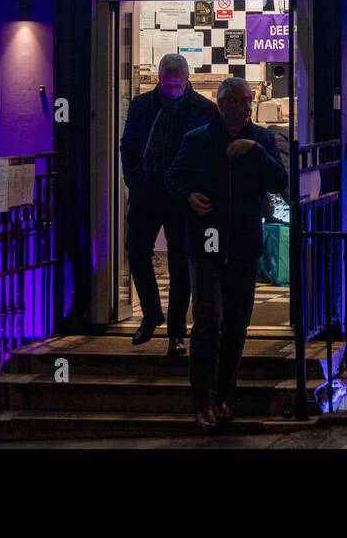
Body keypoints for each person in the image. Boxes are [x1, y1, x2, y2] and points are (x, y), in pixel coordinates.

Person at [166, 75, 288, 431]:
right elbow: (173, 179)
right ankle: (201, 398)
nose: (248, 107)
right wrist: (188, 196)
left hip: (244, 242)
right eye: (241, 101)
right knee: (209, 319)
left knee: (237, 324)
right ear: (223, 105)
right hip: (206, 241)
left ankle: (223, 395)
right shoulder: (198, 140)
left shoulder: (262, 138)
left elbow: (280, 182)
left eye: (250, 100)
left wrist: (257, 152)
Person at [119, 53, 216, 355]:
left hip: (181, 197)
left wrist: (194, 191)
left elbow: (207, 154)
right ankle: (152, 314)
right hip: (147, 191)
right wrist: (134, 180)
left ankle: (176, 331)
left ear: (187, 79)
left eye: (177, 84)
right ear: (159, 79)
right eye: (167, 84)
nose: (172, 89)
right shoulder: (142, 106)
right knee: (136, 253)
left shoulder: (203, 109)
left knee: (180, 263)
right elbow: (128, 145)